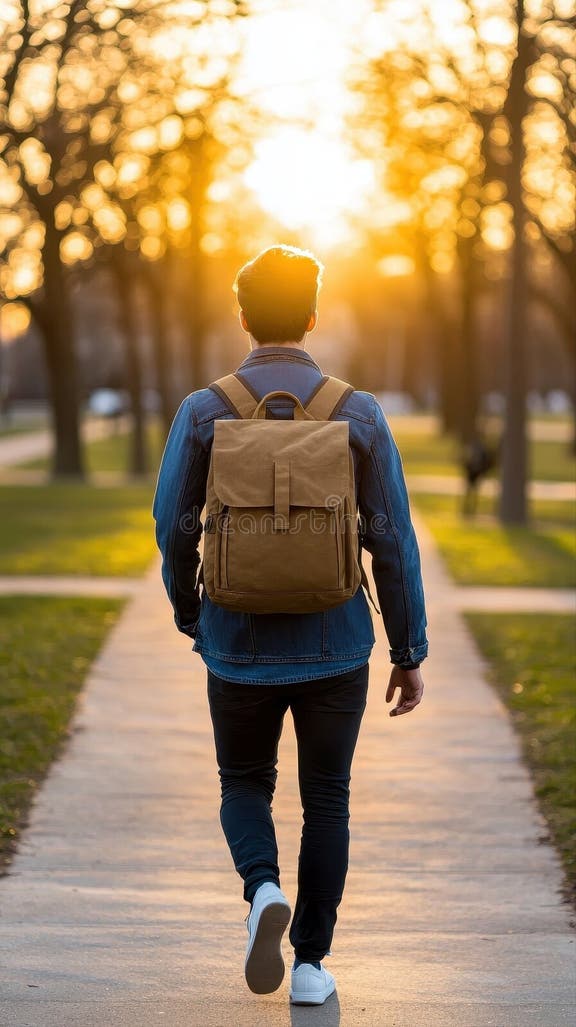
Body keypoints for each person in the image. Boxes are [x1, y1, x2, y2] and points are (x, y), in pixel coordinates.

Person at [153, 244, 428, 1006]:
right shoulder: (358, 411)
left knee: (243, 781)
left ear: (242, 316)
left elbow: (173, 523)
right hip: (336, 641)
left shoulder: (204, 409)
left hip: (236, 641)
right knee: (327, 797)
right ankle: (310, 964)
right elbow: (391, 537)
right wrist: (408, 650)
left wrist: (190, 611)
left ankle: (261, 886)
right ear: (313, 315)